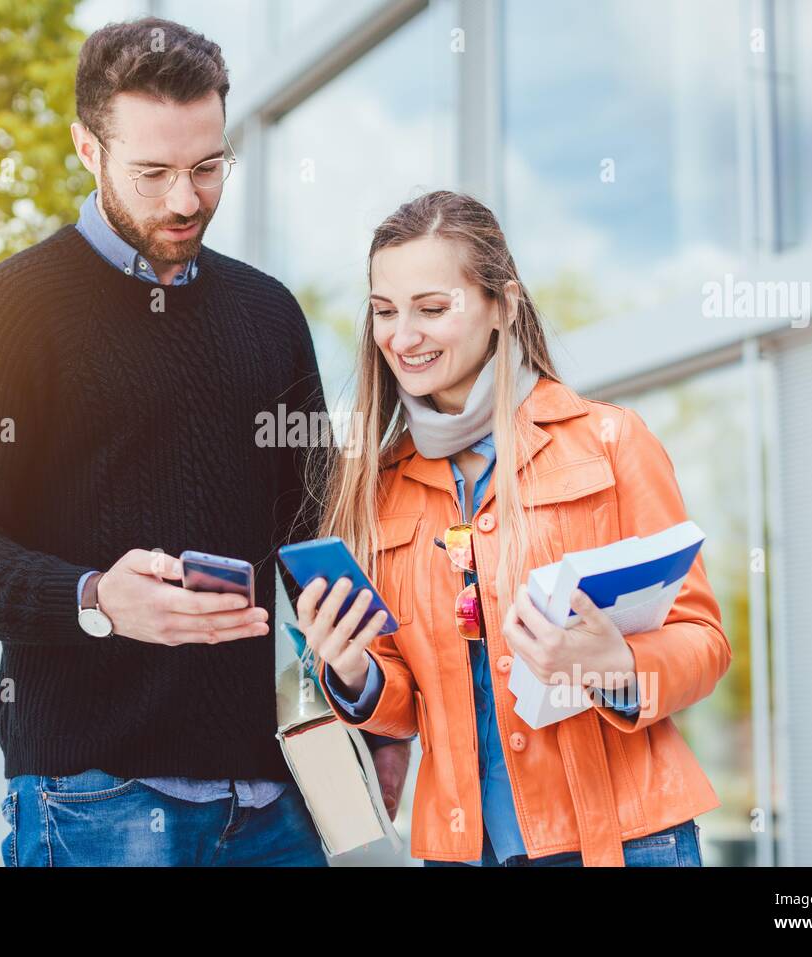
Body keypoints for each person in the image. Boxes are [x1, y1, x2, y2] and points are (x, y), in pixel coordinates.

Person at [0, 16, 408, 867]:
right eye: (154, 171)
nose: (184, 199)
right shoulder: (4, 314)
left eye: (209, 168)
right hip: (93, 798)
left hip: (278, 797)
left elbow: (319, 535)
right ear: (88, 150)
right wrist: (94, 599)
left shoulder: (270, 315)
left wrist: (376, 710)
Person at [295, 190, 732, 866]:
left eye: (433, 308)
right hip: (465, 850)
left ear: (503, 305)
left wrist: (614, 663)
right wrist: (352, 667)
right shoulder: (379, 484)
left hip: (625, 840)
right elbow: (409, 703)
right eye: (385, 312)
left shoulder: (610, 442)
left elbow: (703, 644)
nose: (402, 337)